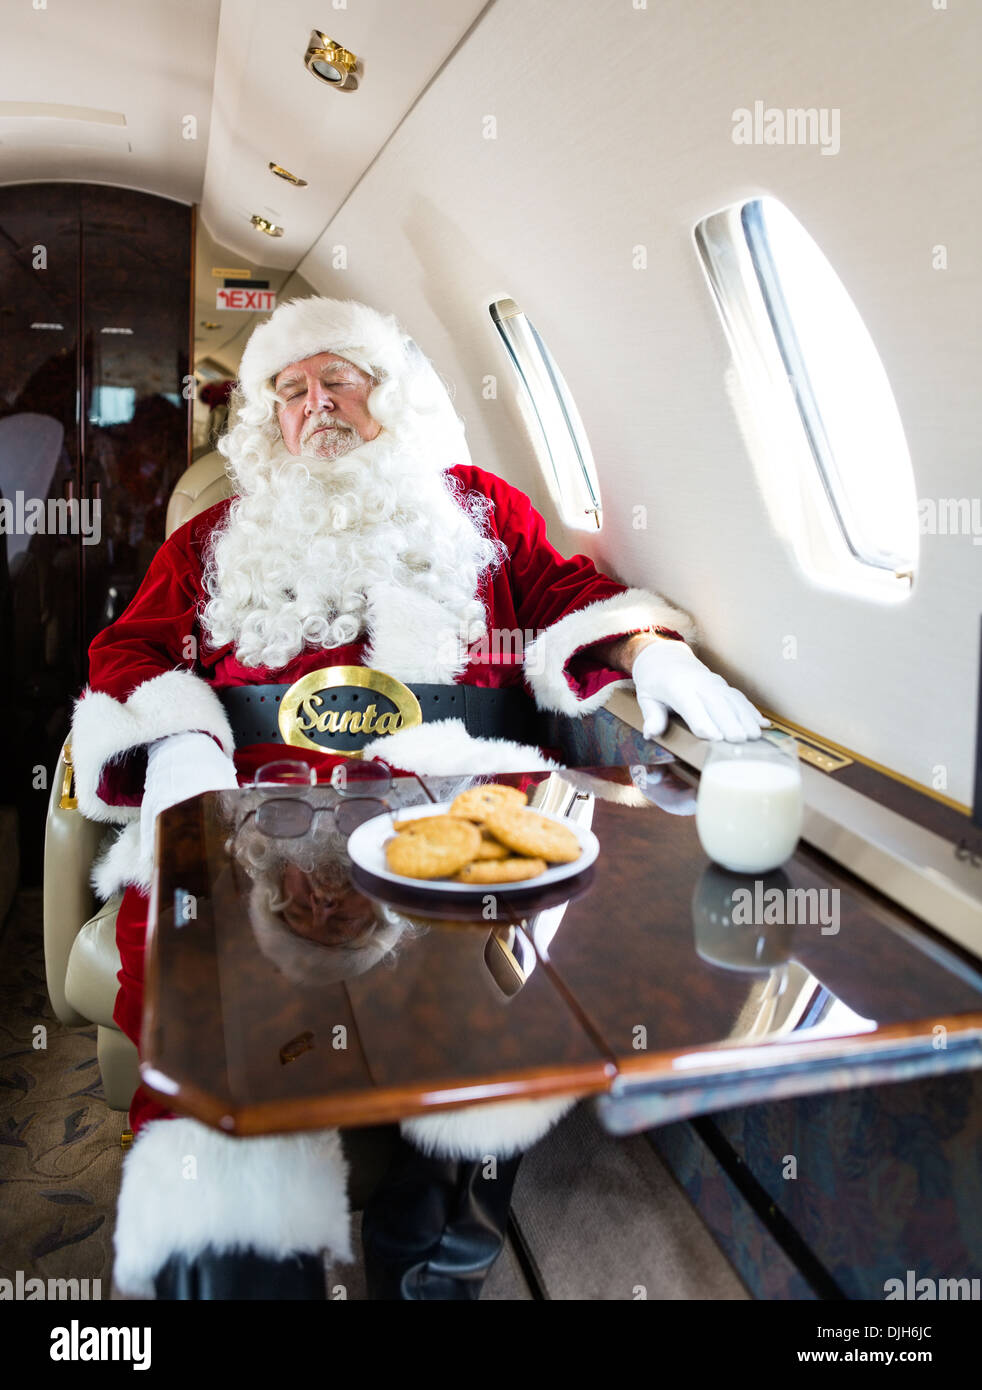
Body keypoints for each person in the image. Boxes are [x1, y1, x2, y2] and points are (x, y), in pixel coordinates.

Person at [69, 296, 766, 1299]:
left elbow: (571, 594)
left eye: (340, 379)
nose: (319, 406)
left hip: (440, 832)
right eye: (293, 390)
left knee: (489, 1042)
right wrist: (183, 740)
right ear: (269, 419)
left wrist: (644, 648)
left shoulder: (479, 510)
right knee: (223, 1062)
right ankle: (229, 1261)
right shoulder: (214, 540)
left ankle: (431, 1261)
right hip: (248, 839)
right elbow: (127, 652)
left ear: (387, 394)